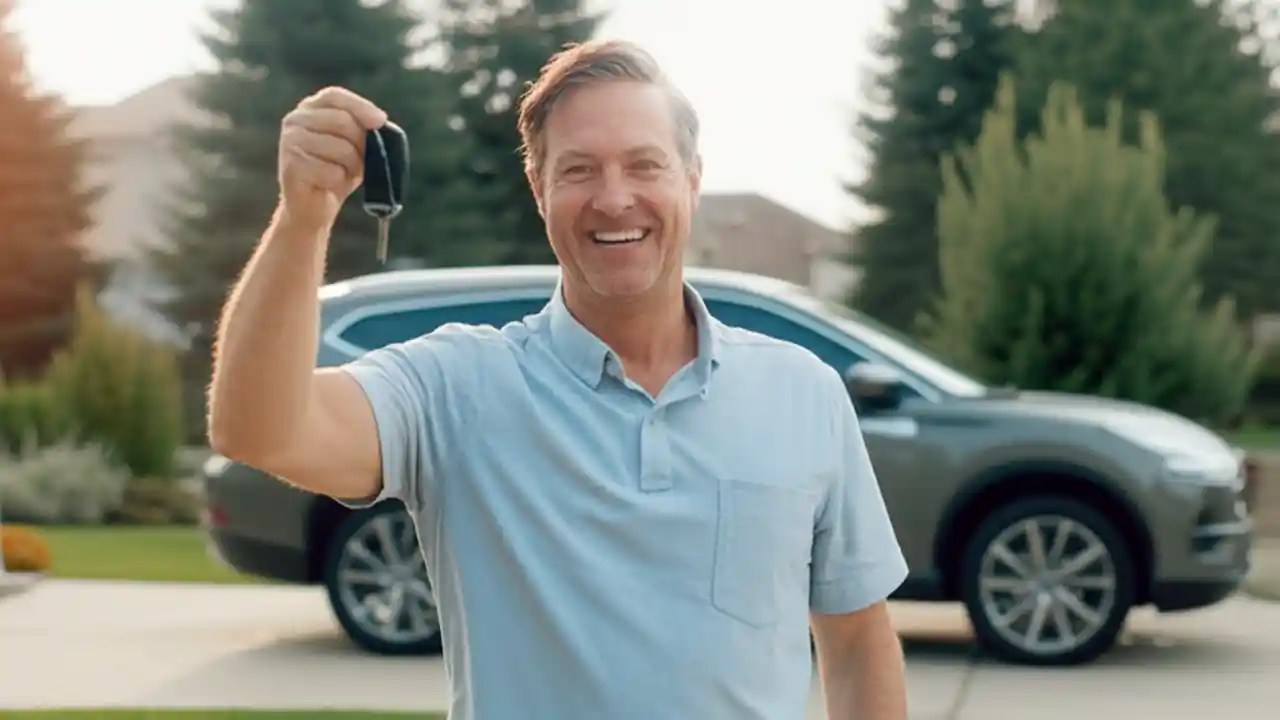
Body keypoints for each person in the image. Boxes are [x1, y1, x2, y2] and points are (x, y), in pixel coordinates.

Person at [208, 38, 909, 720]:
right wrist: (304, 218)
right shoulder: (454, 389)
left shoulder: (804, 394)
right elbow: (259, 429)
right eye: (579, 170)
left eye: (644, 165)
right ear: (538, 188)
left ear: (691, 179)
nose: (614, 198)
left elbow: (855, 643)